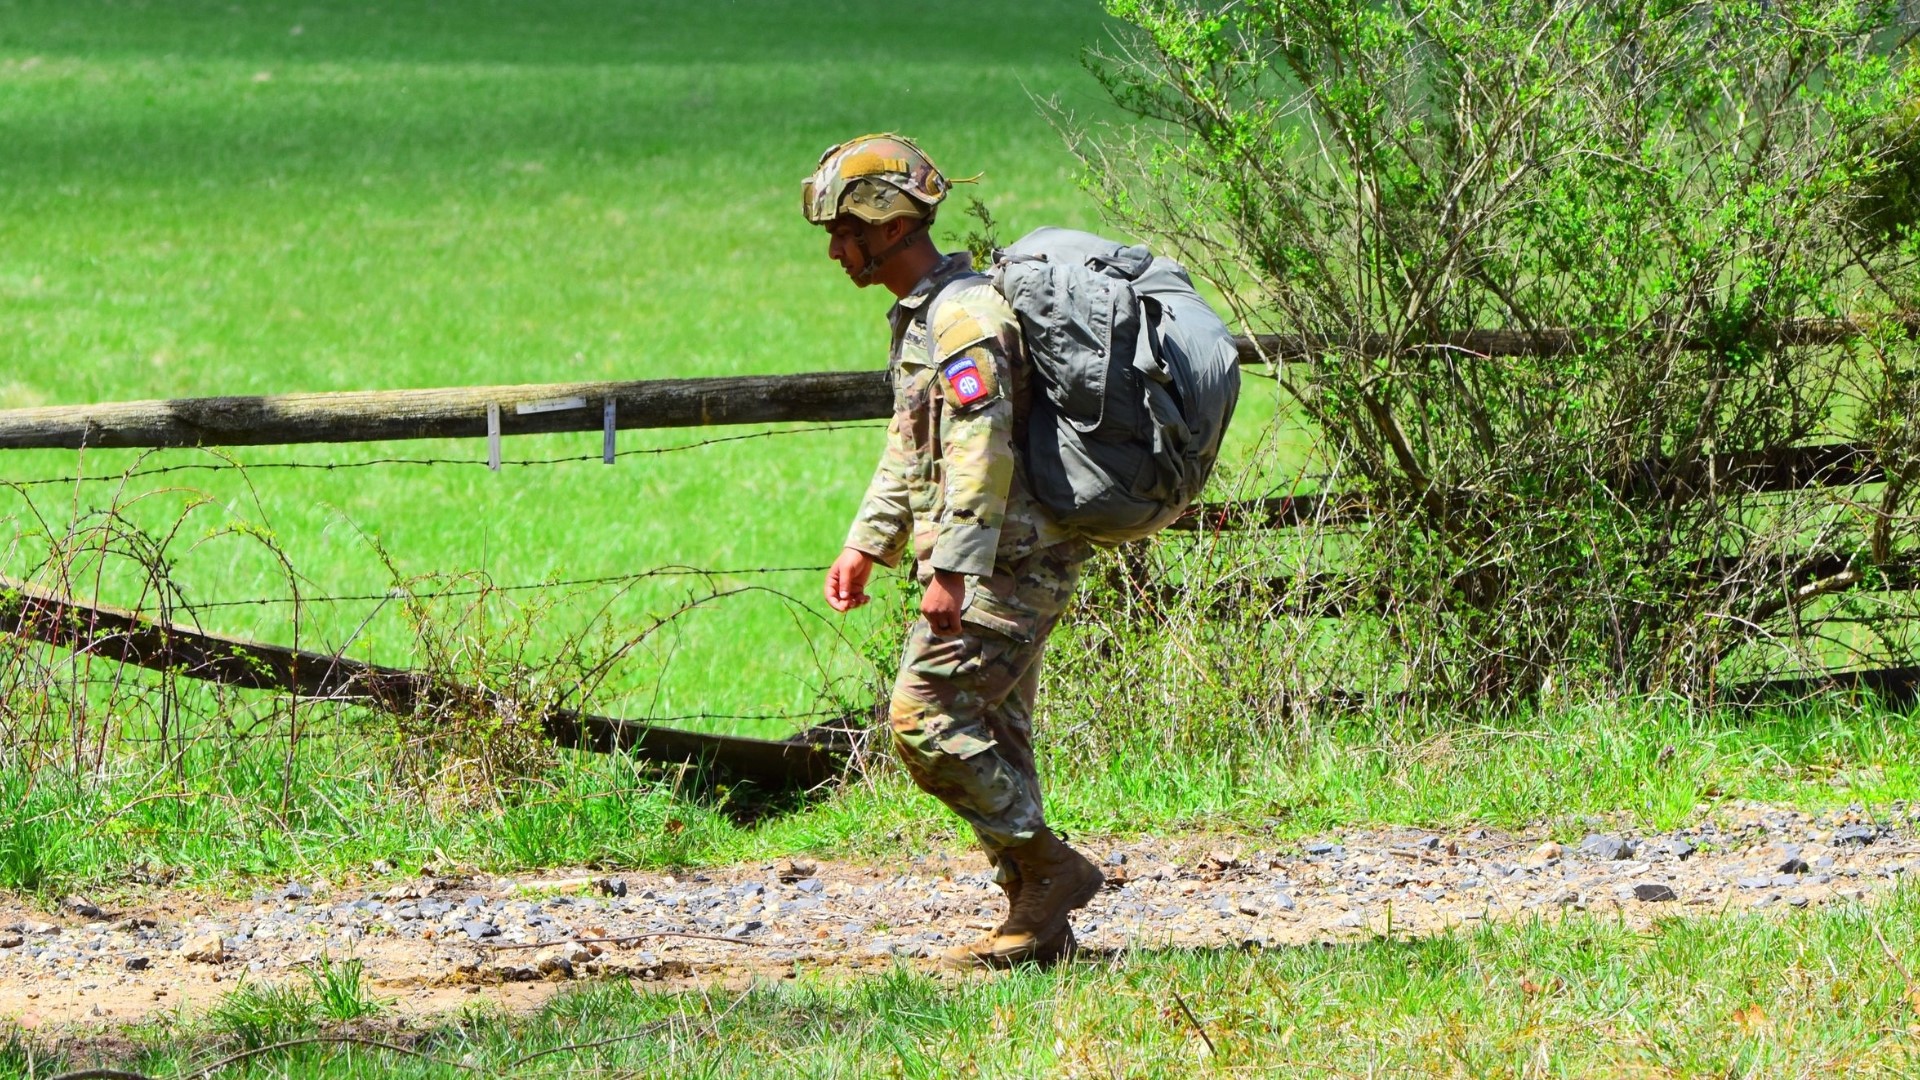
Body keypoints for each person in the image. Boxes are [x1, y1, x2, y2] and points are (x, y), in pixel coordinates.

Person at [804, 133, 1103, 968]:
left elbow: (980, 447)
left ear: (891, 224)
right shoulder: (927, 317)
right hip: (993, 557)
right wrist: (867, 545)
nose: (836, 250)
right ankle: (1036, 928)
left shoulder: (965, 319)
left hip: (1007, 562)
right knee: (997, 731)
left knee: (923, 718)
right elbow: (914, 445)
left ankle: (1050, 868)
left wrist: (951, 570)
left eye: (846, 233)